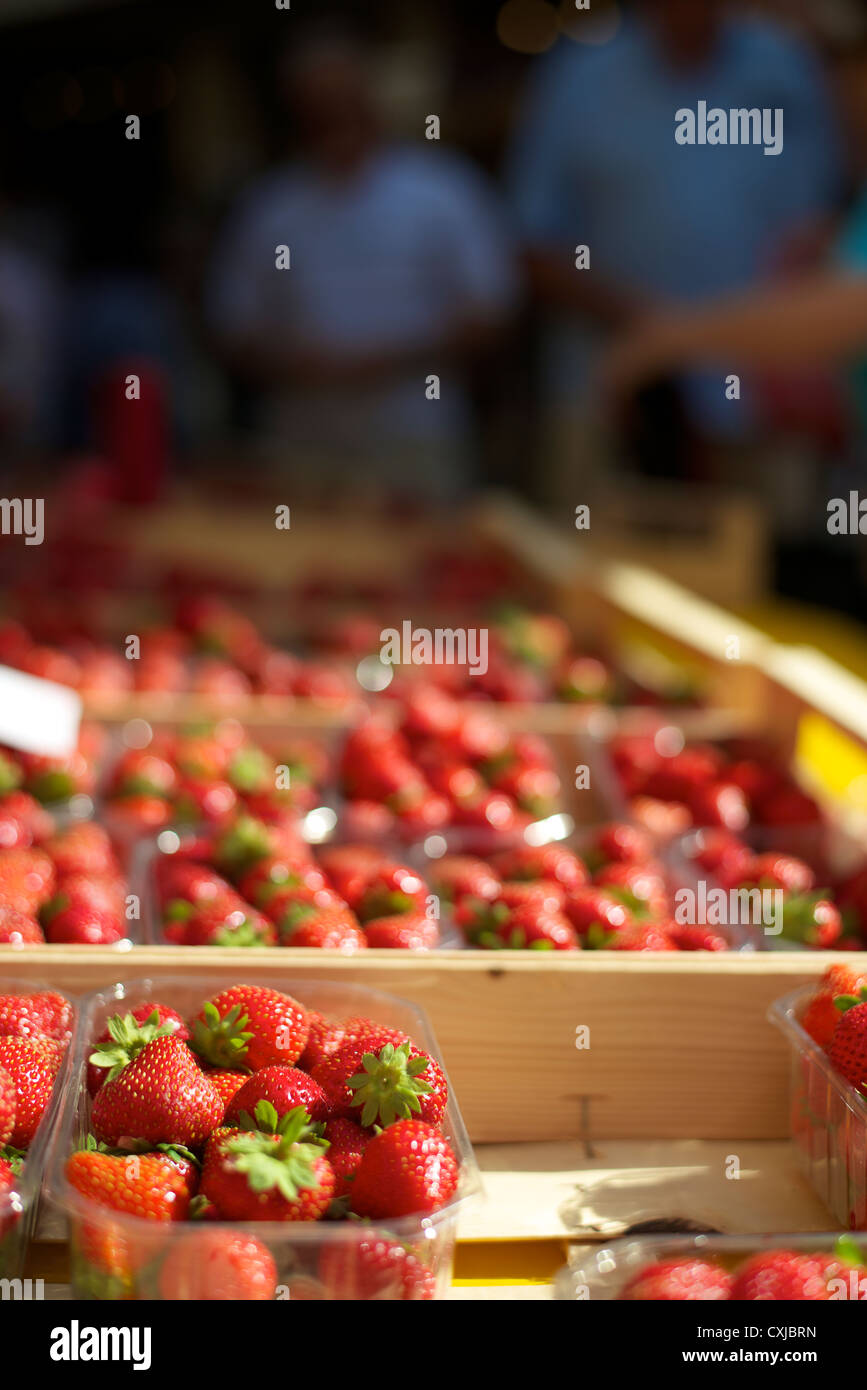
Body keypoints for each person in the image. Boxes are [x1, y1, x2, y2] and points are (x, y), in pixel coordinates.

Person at [507, 0, 842, 502]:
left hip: (753, 395)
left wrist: (721, 335)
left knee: (757, 561)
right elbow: (531, 241)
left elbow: (816, 231)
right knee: (588, 564)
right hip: (609, 389)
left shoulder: (785, 67)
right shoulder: (578, 76)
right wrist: (648, 327)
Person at [208, 29, 516, 502]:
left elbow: (492, 310)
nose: (333, 114)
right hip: (303, 444)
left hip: (416, 436)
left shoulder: (440, 190)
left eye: (343, 98)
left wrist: (392, 357)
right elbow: (233, 329)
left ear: (369, 96)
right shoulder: (268, 209)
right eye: (317, 103)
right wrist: (300, 364)